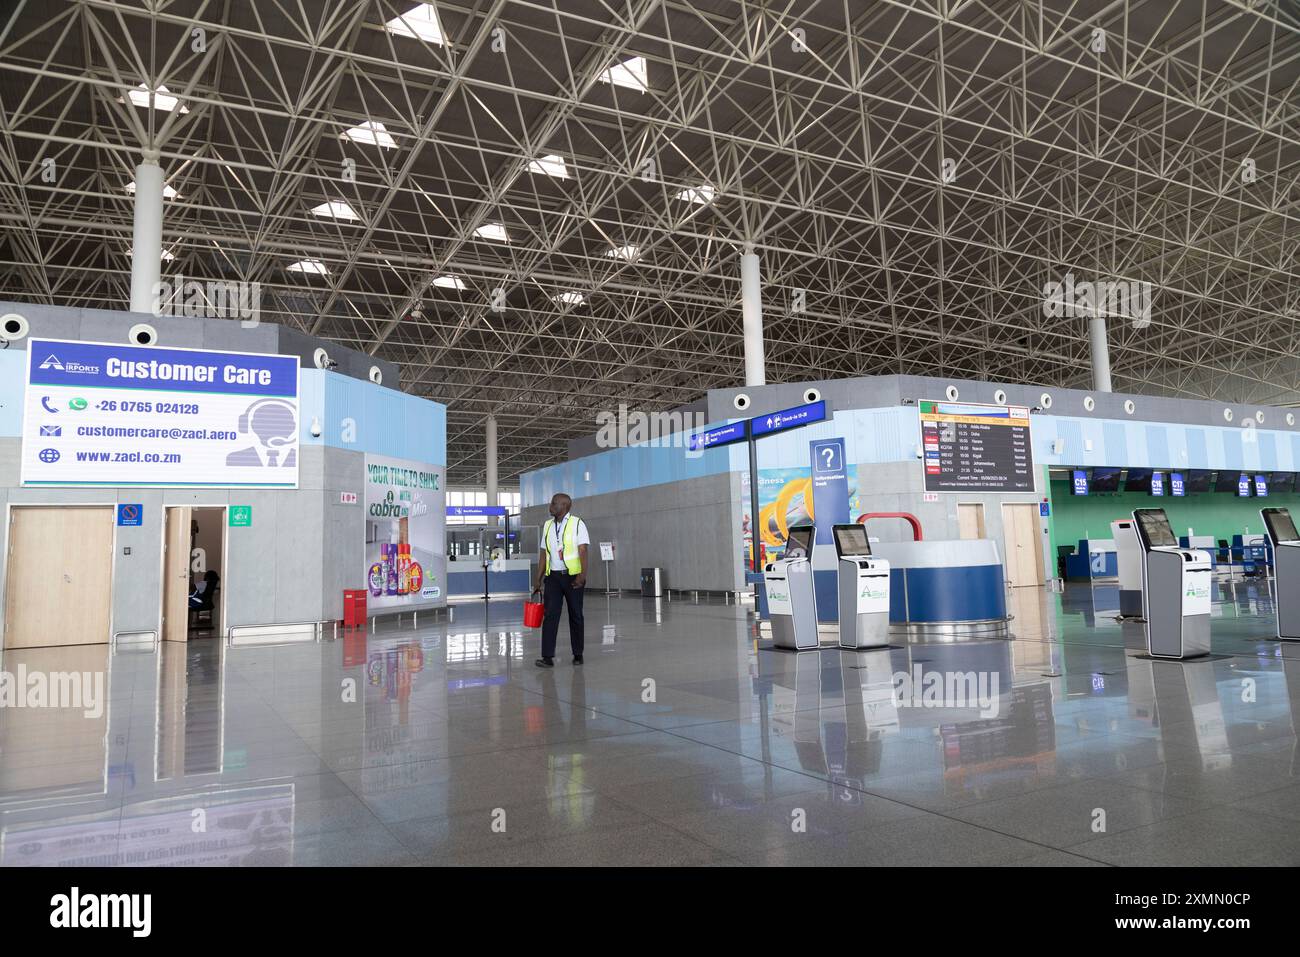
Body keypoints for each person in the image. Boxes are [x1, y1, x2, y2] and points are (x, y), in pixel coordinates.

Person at [533, 492, 588, 667]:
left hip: (573, 577)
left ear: (564, 506)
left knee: (576, 615)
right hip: (553, 578)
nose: (550, 506)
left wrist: (582, 576)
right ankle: (547, 657)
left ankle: (578, 654)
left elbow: (583, 551)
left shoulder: (577, 523)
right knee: (550, 616)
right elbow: (544, 554)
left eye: (554, 503)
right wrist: (538, 579)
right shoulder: (548, 526)